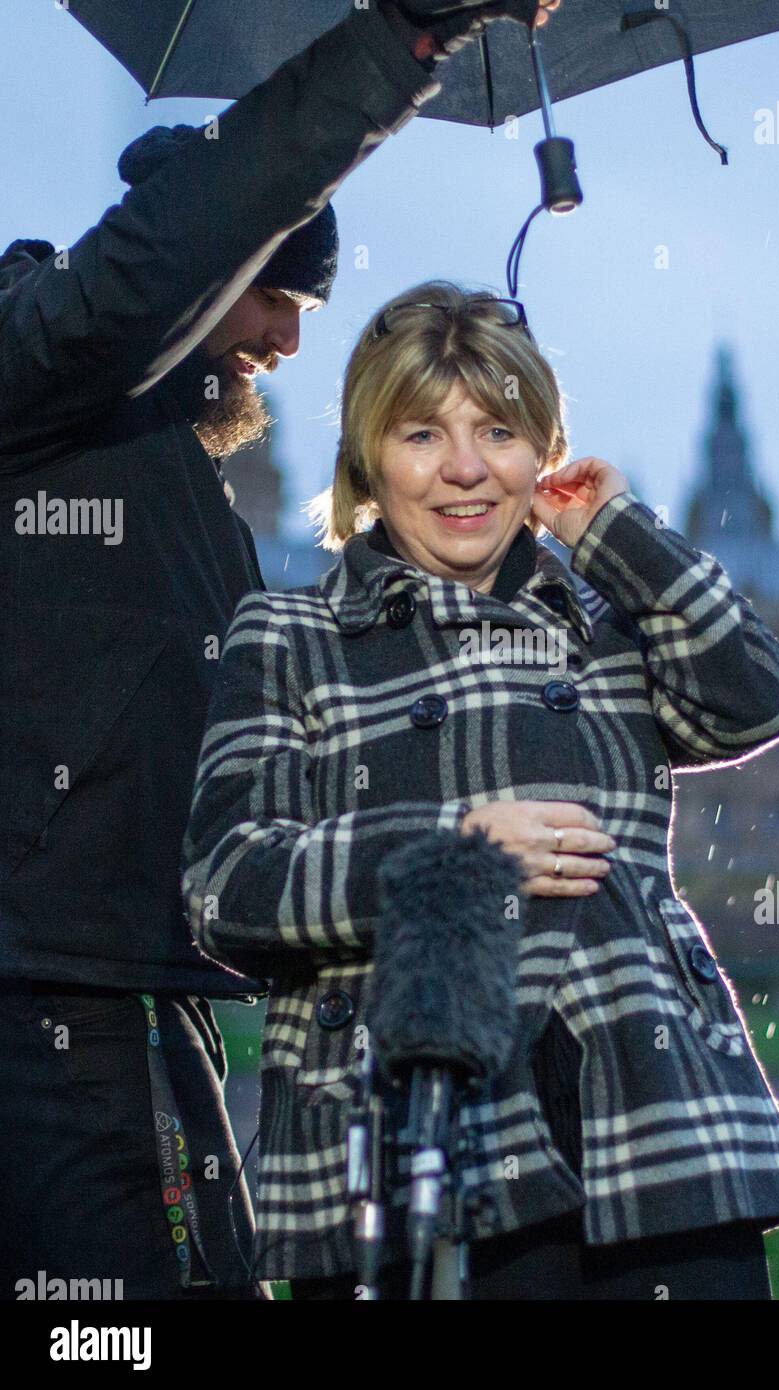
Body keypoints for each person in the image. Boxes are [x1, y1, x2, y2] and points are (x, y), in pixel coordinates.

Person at [0, 1, 546, 1301]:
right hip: (49, 987)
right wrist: (408, 35)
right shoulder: (43, 359)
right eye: (277, 293)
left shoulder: (164, 475)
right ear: (186, 284)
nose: (293, 341)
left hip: (125, 977)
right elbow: (190, 227)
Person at [181, 281, 779, 1301]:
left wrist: (618, 531)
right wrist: (456, 848)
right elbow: (226, 887)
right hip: (408, 1132)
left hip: (650, 1124)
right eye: (423, 432)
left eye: (500, 429)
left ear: (543, 450)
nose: (467, 467)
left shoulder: (615, 617)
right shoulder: (288, 637)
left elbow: (761, 699)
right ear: (367, 458)